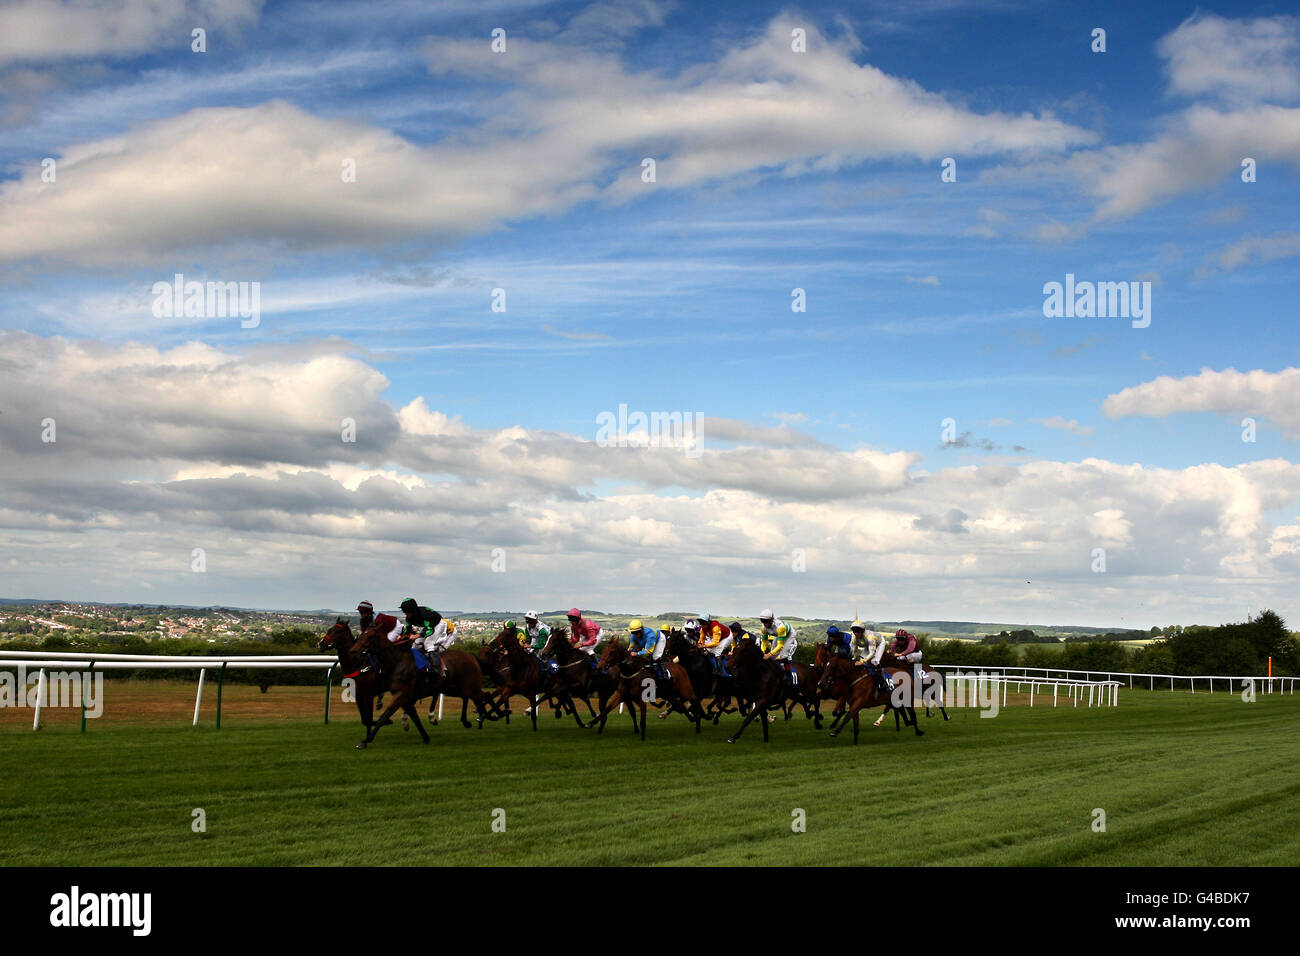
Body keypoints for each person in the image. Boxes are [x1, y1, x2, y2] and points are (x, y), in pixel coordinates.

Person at [399, 598, 447, 674]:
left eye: (407, 612)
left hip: (438, 625)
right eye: (405, 612)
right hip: (428, 627)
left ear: (412, 610)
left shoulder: (423, 614)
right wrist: (401, 637)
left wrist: (417, 635)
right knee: (416, 644)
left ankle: (436, 670)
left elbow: (430, 630)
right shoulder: (409, 618)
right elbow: (407, 630)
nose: (406, 614)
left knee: (428, 644)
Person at [850, 620, 893, 691]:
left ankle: (883, 682)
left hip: (879, 643)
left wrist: (862, 661)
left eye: (858, 631)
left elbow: (872, 653)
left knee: (874, 662)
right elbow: (854, 651)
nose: (856, 633)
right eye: (854, 631)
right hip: (868, 645)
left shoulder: (870, 637)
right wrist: (854, 659)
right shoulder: (853, 638)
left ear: (862, 631)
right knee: (861, 661)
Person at [758, 608, 798, 679]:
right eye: (762, 621)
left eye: (766, 621)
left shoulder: (780, 627)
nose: (765, 624)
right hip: (779, 636)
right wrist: (762, 653)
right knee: (773, 657)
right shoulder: (763, 628)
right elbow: (764, 642)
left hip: (789, 635)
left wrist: (769, 654)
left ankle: (788, 676)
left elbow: (780, 646)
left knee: (783, 656)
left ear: (771, 620)